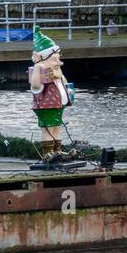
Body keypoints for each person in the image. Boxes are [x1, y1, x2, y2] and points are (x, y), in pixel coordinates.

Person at [29, 26, 75, 162]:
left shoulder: (56, 73)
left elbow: (65, 82)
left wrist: (58, 74)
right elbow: (35, 86)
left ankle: (57, 150)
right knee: (48, 128)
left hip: (58, 105)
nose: (58, 62)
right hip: (46, 106)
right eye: (54, 58)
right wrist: (38, 67)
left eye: (58, 58)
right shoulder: (39, 71)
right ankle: (47, 153)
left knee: (57, 127)